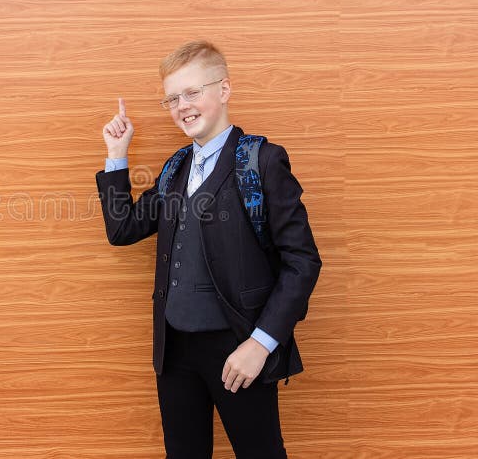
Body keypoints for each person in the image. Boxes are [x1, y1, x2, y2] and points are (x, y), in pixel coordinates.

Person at [96, 40, 322, 458]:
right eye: (172, 98)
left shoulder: (264, 161)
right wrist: (117, 155)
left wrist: (261, 344)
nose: (182, 106)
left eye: (193, 92)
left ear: (224, 89)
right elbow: (123, 229)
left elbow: (303, 261)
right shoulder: (175, 168)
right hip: (174, 351)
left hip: (239, 348)